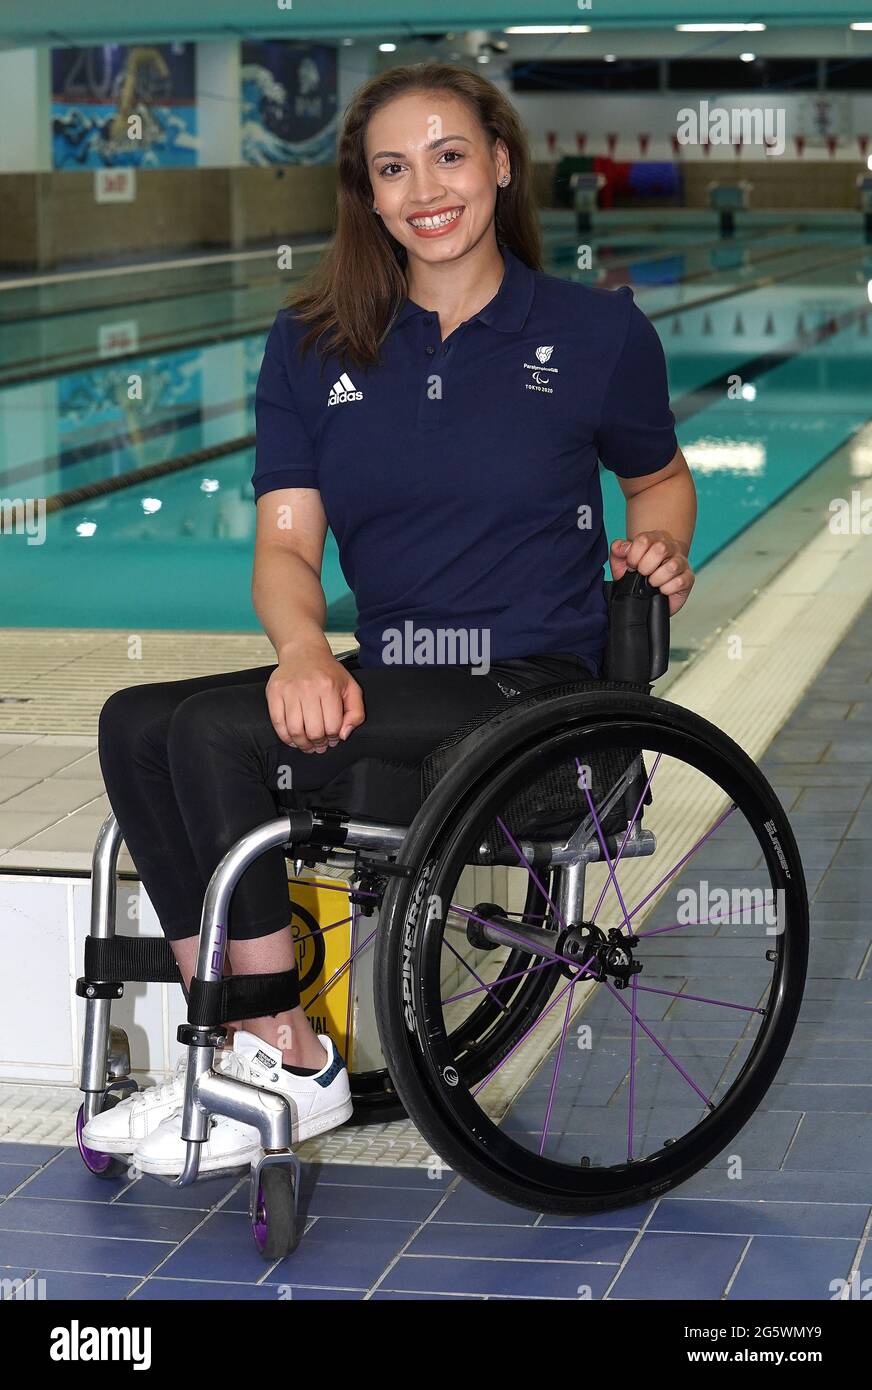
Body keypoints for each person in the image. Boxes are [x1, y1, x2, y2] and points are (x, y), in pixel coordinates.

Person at [83, 61, 697, 1176]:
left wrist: (660, 540)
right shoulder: (314, 344)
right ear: (367, 194)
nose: (426, 188)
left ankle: (280, 1054)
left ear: (499, 164)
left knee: (219, 733)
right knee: (135, 717)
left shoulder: (593, 333)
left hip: (530, 692)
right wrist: (305, 647)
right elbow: (284, 546)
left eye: (449, 155)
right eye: (393, 168)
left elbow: (657, 478)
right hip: (399, 672)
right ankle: (245, 1040)